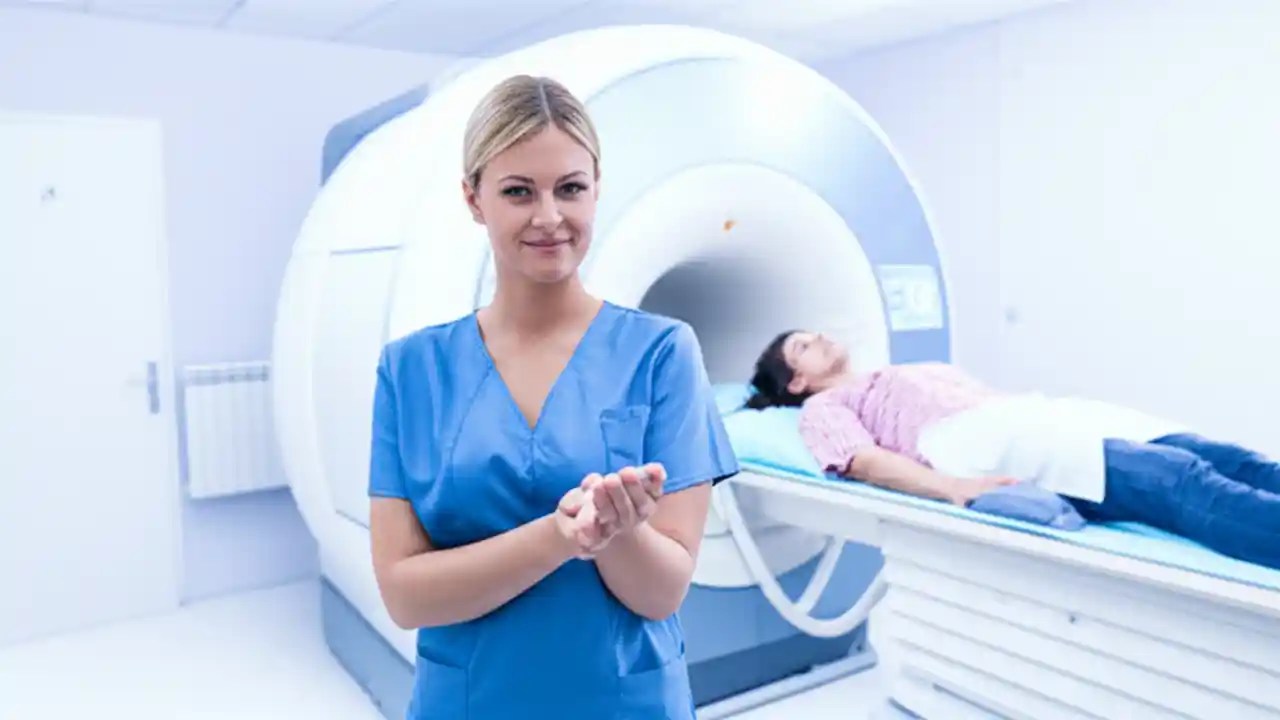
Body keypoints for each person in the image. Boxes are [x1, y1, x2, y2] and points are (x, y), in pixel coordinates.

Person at [365, 75, 740, 720]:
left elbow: (662, 592)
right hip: (472, 700)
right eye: (518, 191)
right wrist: (562, 535)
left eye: (570, 188)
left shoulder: (662, 353)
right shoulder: (411, 371)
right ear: (474, 199)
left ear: (596, 189)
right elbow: (405, 597)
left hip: (624, 699)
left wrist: (619, 532)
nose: (549, 217)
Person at [743, 329, 1280, 571]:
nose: (819, 339)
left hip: (1032, 415)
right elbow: (861, 461)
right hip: (984, 443)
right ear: (794, 382)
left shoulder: (896, 369)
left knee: (1220, 456)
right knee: (1179, 478)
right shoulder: (824, 407)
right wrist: (953, 488)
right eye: (803, 346)